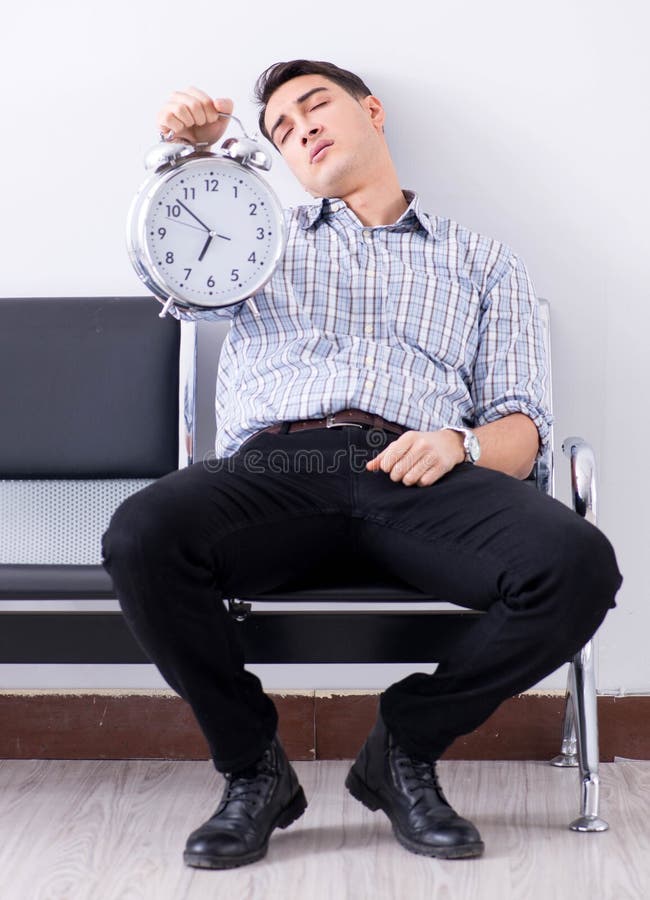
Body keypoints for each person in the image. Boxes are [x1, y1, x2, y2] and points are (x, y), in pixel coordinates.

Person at [102, 60, 622, 869]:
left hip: (422, 471)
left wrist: (461, 444)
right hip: (277, 471)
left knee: (578, 565)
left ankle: (403, 748)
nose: (301, 128)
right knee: (141, 534)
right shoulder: (258, 240)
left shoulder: (483, 261)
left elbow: (524, 427)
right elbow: (178, 254)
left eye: (315, 105)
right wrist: (198, 158)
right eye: (281, 130)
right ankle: (254, 769)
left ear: (372, 111)